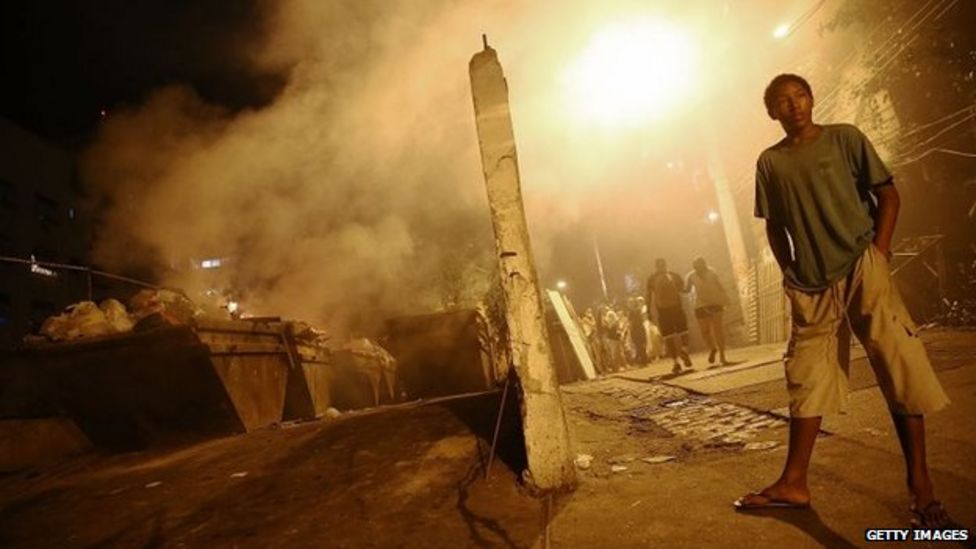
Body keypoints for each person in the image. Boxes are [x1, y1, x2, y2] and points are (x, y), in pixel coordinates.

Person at [735, 73, 950, 528]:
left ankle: (921, 485)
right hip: (810, 283)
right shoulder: (769, 163)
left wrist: (880, 251)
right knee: (806, 376)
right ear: (771, 112)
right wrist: (789, 269)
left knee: (898, 366)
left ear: (811, 99)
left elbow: (887, 195)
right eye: (782, 101)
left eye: (800, 96)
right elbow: (774, 224)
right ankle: (794, 483)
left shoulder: (846, 138)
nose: (793, 105)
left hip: (861, 265)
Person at [646, 258, 692, 373]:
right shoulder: (674, 275)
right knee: (684, 332)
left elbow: (648, 296)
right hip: (677, 308)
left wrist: (648, 312)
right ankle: (684, 350)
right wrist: (691, 281)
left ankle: (676, 363)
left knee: (668, 337)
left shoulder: (651, 279)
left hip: (663, 311)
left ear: (656, 267)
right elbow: (684, 290)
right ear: (666, 265)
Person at [685, 257, 730, 365]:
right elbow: (687, 290)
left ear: (704, 265)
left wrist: (725, 298)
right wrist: (677, 288)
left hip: (715, 303)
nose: (699, 269)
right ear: (694, 268)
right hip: (700, 305)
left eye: (701, 266)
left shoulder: (712, 273)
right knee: (705, 332)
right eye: (696, 267)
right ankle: (713, 348)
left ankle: (722, 355)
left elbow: (720, 286)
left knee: (718, 330)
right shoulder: (691, 276)